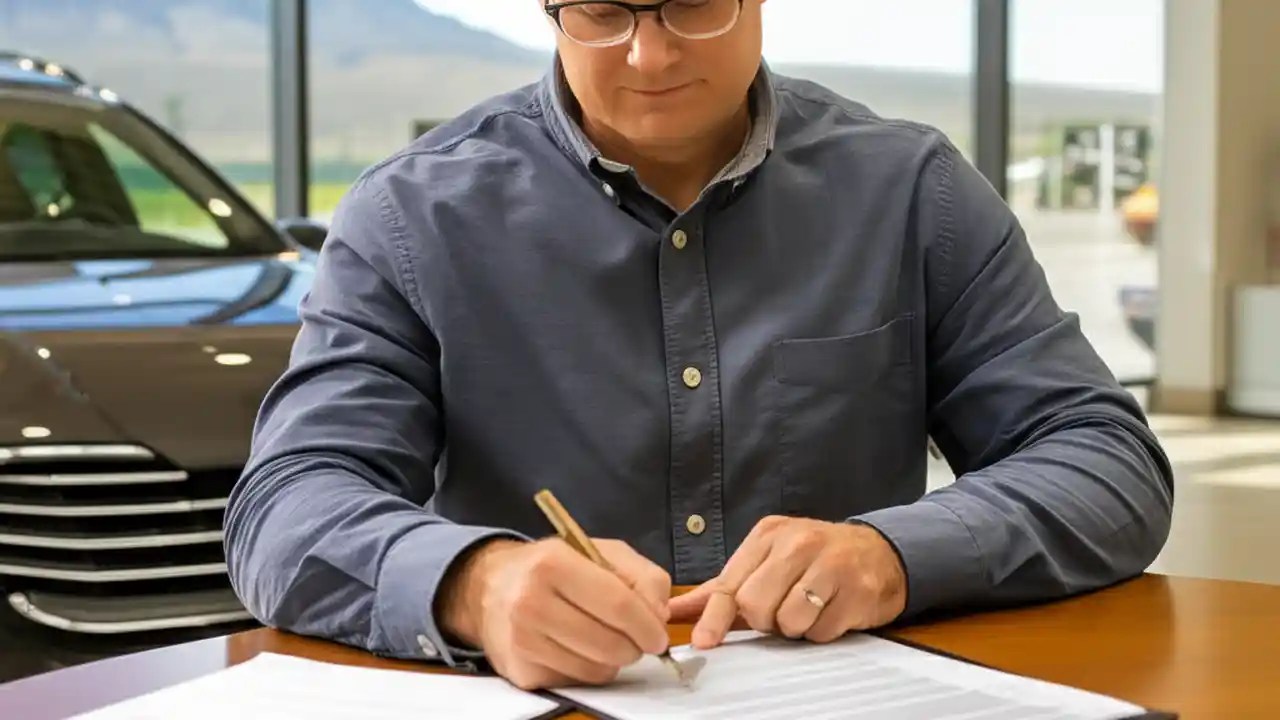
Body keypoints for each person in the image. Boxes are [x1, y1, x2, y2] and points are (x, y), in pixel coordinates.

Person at [224, 0, 1174, 691]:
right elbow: (284, 509)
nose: (647, 52)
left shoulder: (910, 192)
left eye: (691, 5)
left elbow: (1107, 462)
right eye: (602, 12)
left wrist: (894, 551)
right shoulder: (411, 214)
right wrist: (476, 585)